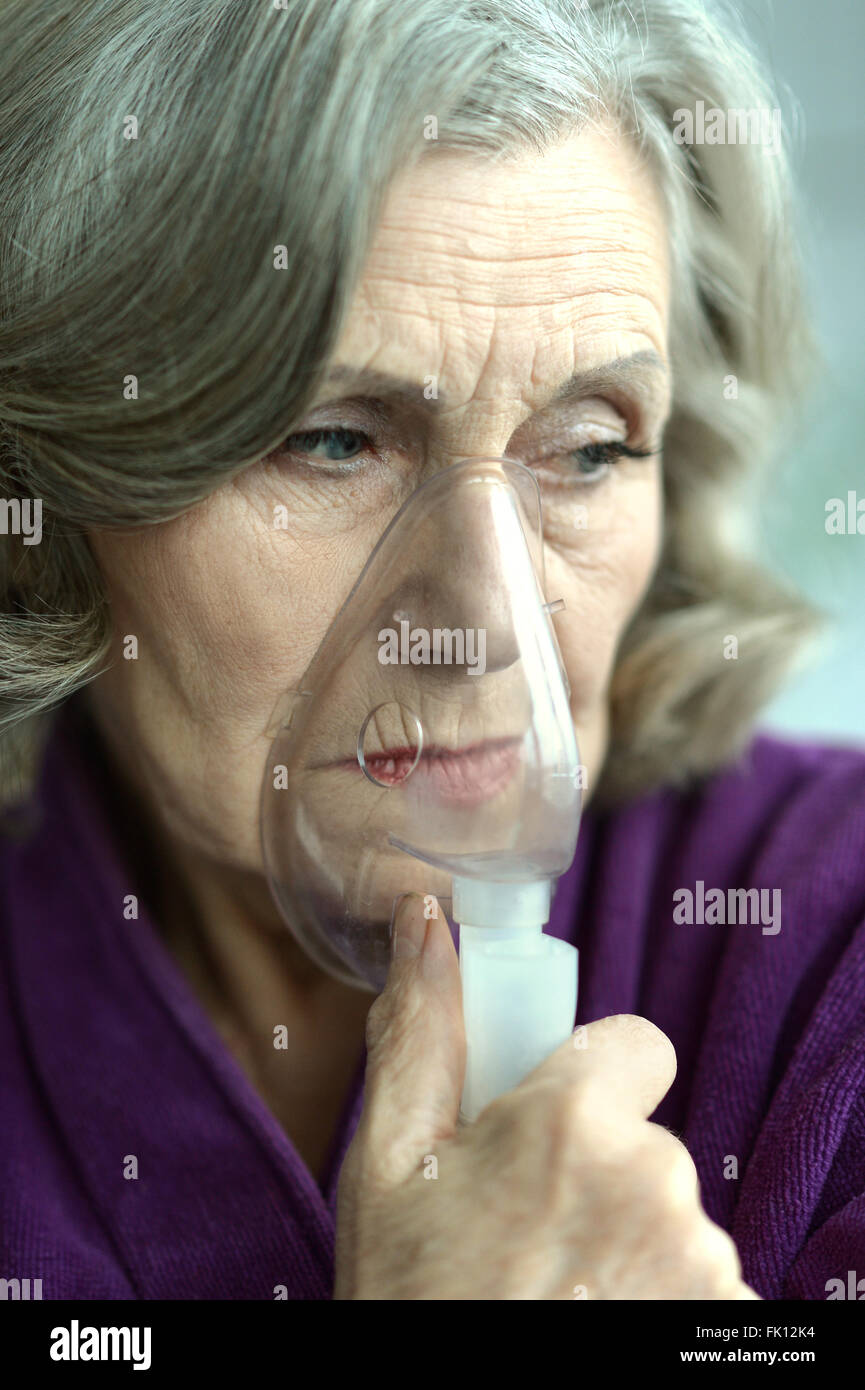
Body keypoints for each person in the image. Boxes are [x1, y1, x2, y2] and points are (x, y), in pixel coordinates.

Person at [1, 0, 862, 1301]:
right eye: (331, 439)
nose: (477, 626)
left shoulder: (831, 946)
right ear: (44, 492)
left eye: (586, 448)